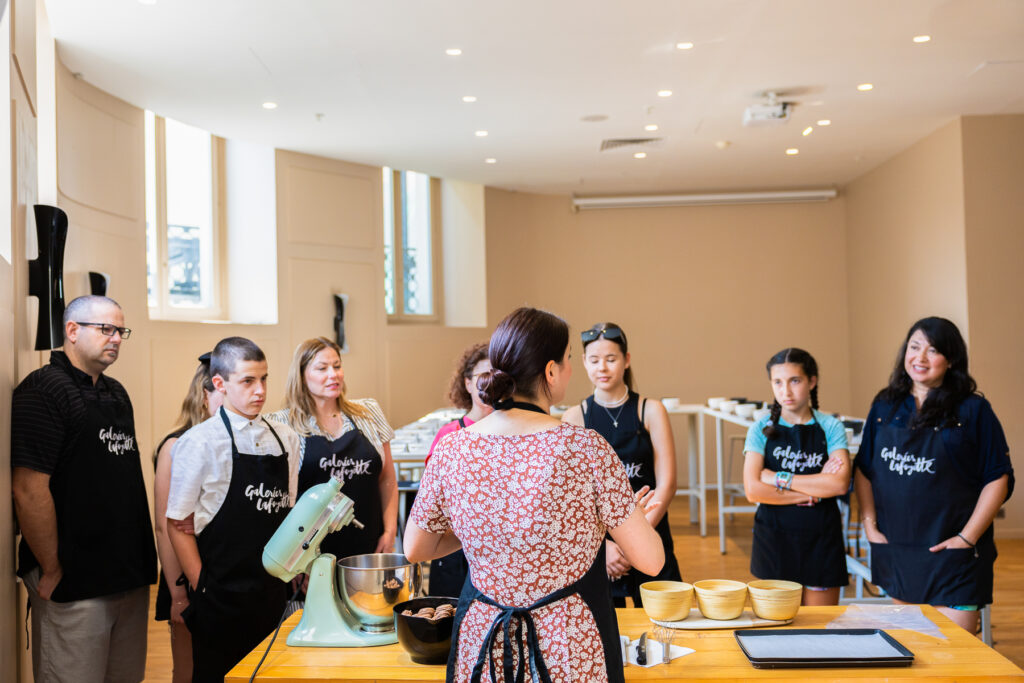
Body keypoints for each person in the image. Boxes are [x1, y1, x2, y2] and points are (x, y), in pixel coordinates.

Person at [405, 307, 664, 683]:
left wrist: (487, 528)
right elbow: (651, 561)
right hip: (569, 642)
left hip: (484, 638)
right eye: (569, 359)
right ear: (551, 371)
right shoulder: (587, 448)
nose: (571, 369)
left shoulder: (452, 448)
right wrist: (623, 519)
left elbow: (416, 548)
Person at [12, 295, 157, 683]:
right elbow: (28, 490)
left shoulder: (116, 392)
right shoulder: (44, 390)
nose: (116, 338)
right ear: (72, 331)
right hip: (74, 581)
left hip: (127, 576)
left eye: (121, 331)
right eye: (106, 329)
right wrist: (51, 566)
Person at [855, 317, 1013, 632]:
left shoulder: (973, 410)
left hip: (954, 554)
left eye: (933, 350)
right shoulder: (885, 405)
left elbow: (998, 477)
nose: (921, 357)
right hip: (898, 550)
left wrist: (967, 538)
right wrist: (869, 526)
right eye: (914, 347)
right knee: (914, 646)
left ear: (951, 359)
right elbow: (864, 469)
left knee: (953, 651)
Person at [165, 336, 302, 682]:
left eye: (264, 379)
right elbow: (177, 524)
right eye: (248, 381)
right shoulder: (199, 442)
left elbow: (287, 512)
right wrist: (203, 586)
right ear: (220, 383)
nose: (260, 390)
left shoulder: (286, 438)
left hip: (272, 594)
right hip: (219, 597)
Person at [562, 322, 682, 606]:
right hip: (602, 546)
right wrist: (606, 547)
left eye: (611, 359)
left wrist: (635, 539)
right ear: (584, 362)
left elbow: (667, 485)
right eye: (594, 360)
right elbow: (573, 496)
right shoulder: (574, 417)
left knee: (662, 615)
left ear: (626, 360)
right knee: (607, 623)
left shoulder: (650, 410)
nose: (602, 368)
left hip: (651, 527)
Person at [267, 336, 398, 558]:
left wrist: (390, 530)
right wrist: (292, 557)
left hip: (369, 545)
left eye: (337, 366)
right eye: (322, 368)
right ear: (301, 375)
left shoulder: (368, 412)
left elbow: (387, 478)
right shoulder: (282, 424)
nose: (333, 374)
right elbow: (280, 499)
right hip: (309, 554)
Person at [741, 348, 851, 605]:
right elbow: (753, 490)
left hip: (822, 540)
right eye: (778, 382)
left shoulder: (831, 427)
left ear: (812, 381)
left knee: (820, 624)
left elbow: (839, 484)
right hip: (774, 539)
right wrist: (813, 492)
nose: (786, 392)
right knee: (776, 623)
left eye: (795, 381)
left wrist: (778, 479)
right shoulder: (760, 429)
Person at [152, 352, 223, 683]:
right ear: (206, 393)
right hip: (186, 579)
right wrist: (179, 594)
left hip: (225, 578)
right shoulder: (176, 445)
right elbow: (164, 528)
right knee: (189, 672)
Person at [425, 341, 493, 597]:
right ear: (467, 383)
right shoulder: (449, 435)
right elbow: (433, 501)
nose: (489, 384)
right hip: (455, 549)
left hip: (498, 551)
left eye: (497, 376)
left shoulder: (513, 433)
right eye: (483, 376)